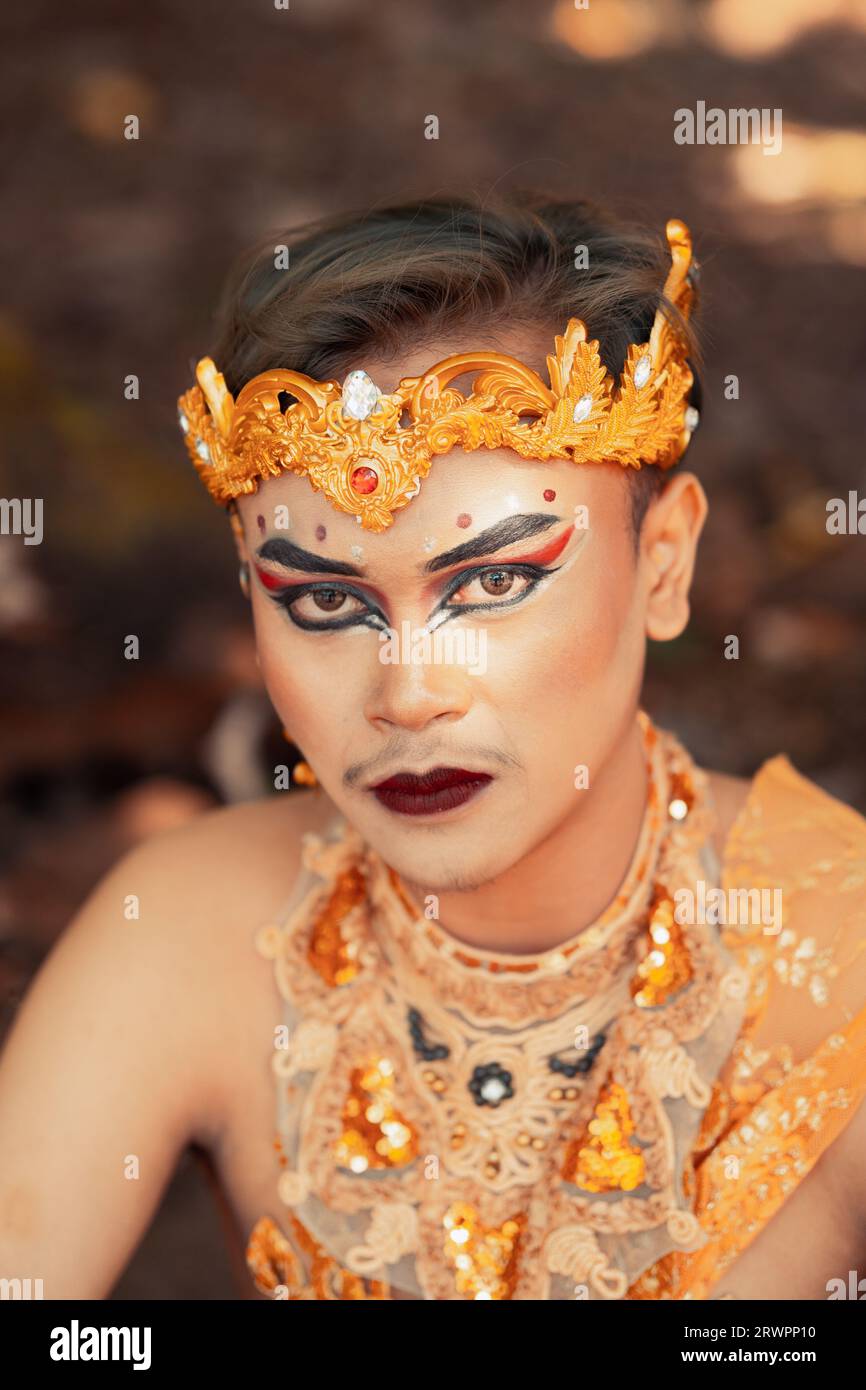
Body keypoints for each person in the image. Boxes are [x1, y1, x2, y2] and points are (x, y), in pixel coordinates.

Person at [1, 192, 865, 1301]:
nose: (406, 695)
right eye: (322, 602)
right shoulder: (191, 930)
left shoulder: (838, 978)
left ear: (662, 566)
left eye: (494, 581)